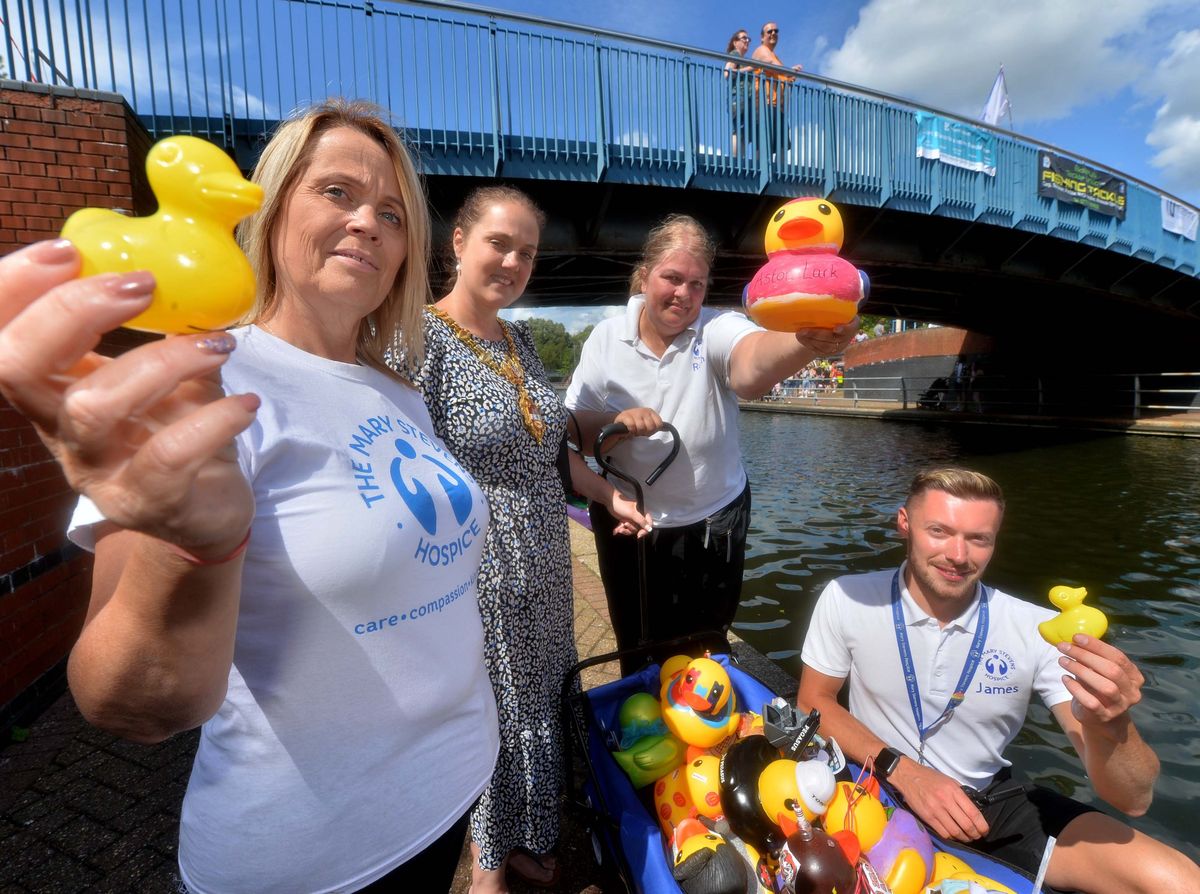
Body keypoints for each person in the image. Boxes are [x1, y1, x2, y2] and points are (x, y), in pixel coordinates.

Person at [0, 99, 501, 893]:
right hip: (310, 857)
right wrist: (193, 547)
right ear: (267, 211)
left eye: (393, 213)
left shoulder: (400, 392)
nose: (368, 222)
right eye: (336, 192)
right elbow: (126, 703)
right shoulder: (198, 381)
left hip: (449, 795)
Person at [797, 468, 1200, 894]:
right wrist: (907, 772)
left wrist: (1113, 722)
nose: (957, 555)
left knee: (1181, 881)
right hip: (875, 784)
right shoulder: (847, 598)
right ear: (904, 524)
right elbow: (813, 703)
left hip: (989, 806)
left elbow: (1133, 801)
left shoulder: (1039, 628)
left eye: (978, 539)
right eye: (939, 531)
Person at [412, 185, 651, 893]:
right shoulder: (418, 341)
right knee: (496, 709)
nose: (514, 262)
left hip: (546, 550)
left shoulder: (516, 339)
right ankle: (489, 870)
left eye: (527, 252)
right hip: (479, 563)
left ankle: (532, 834)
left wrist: (607, 491)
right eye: (499, 244)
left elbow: (546, 445)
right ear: (458, 243)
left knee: (544, 697)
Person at [566, 214, 856, 674]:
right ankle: (644, 723)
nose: (684, 294)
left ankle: (703, 736)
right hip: (629, 521)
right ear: (645, 276)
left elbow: (749, 369)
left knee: (705, 647)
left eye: (697, 284)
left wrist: (804, 342)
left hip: (714, 520)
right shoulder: (605, 339)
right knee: (635, 644)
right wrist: (615, 423)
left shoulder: (717, 327)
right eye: (672, 278)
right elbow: (572, 433)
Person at [751, 21, 802, 159]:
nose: (773, 33)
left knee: (781, 146)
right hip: (764, 105)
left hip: (776, 107)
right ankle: (758, 172)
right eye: (769, 31)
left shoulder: (775, 56)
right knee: (763, 144)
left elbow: (782, 76)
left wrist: (789, 78)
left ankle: (779, 175)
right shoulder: (761, 50)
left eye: (776, 31)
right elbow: (772, 64)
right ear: (762, 37)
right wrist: (789, 72)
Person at [723, 29, 754, 158]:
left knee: (743, 131)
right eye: (744, 38)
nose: (747, 40)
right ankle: (736, 160)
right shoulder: (735, 54)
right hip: (739, 96)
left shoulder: (741, 59)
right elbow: (727, 73)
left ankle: (739, 160)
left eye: (748, 39)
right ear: (735, 42)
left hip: (744, 97)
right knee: (739, 130)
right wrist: (750, 68)